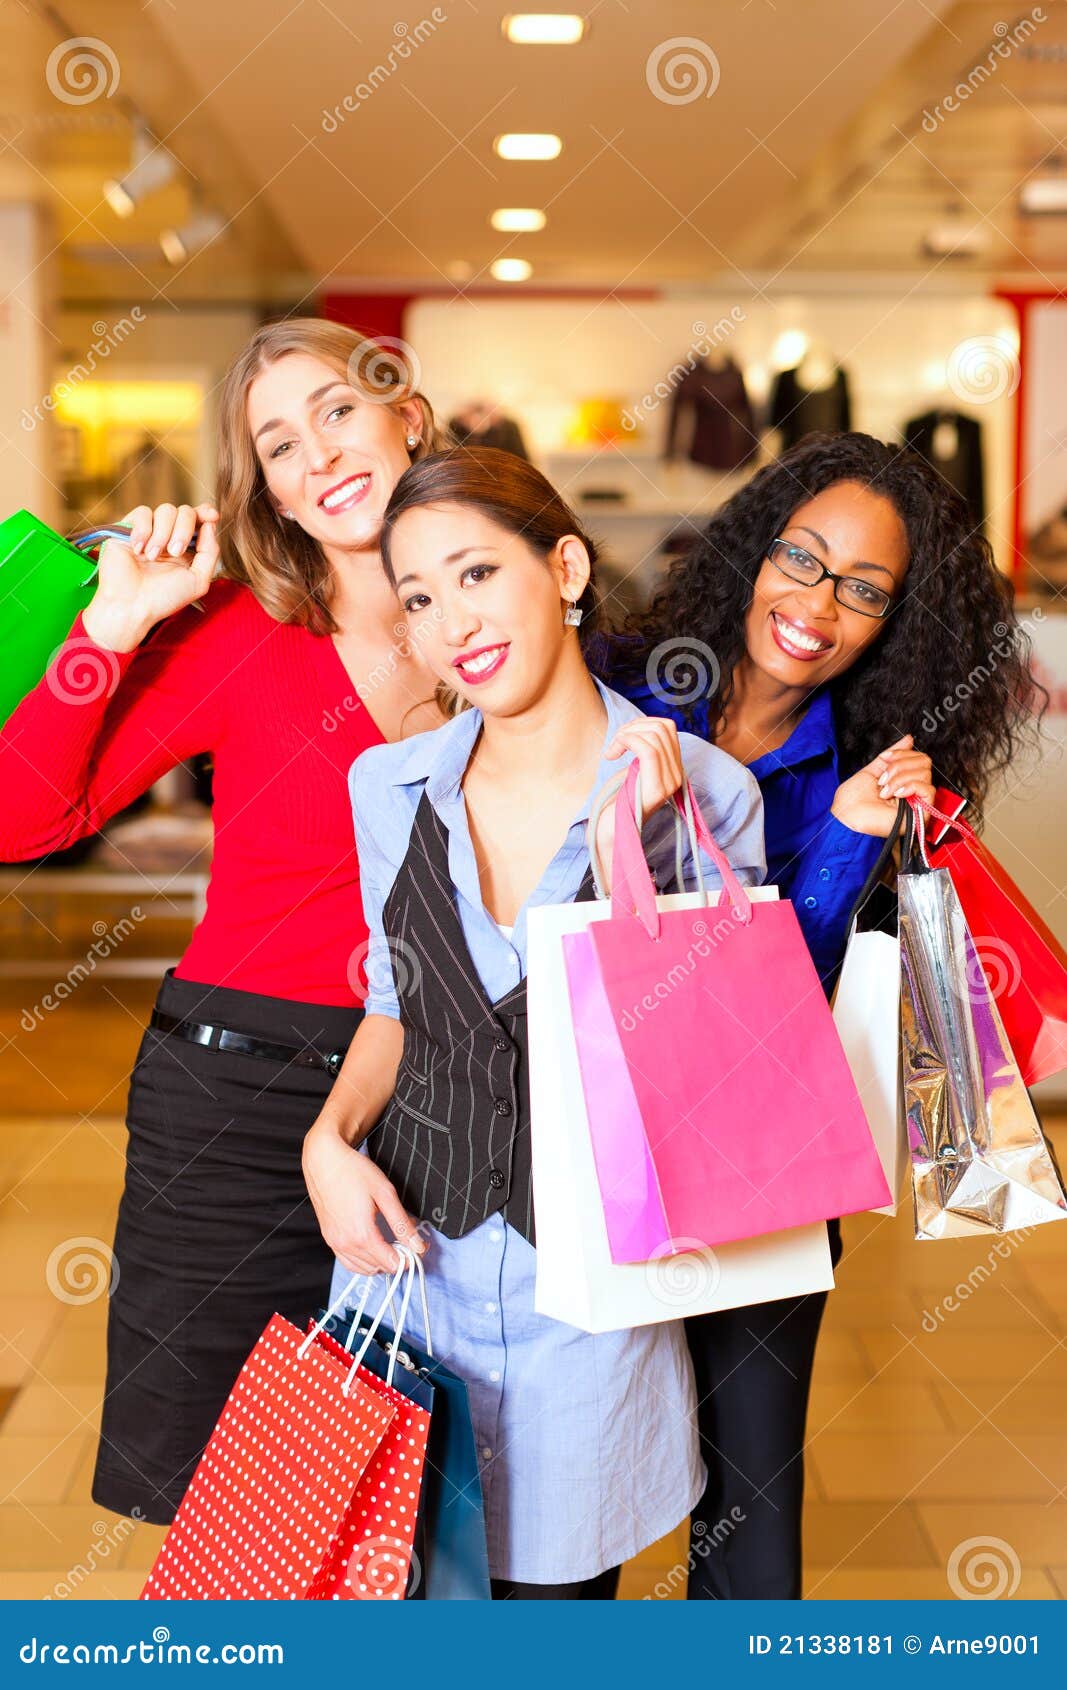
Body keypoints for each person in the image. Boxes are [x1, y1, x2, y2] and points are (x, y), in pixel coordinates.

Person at [0, 317, 451, 1524]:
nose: (321, 455)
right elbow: (20, 820)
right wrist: (116, 624)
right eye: (279, 444)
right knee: (228, 1521)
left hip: (451, 1097)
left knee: (403, 1510)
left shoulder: (494, 619)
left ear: (406, 413)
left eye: (338, 412)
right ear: (270, 492)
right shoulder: (240, 635)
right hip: (238, 1107)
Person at [301, 447, 767, 1598]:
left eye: (474, 573)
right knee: (393, 1615)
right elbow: (396, 1002)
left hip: (587, 1310)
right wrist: (326, 1139)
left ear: (561, 567)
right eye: (417, 596)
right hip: (406, 1277)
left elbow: (715, 1085)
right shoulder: (386, 785)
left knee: (549, 1628)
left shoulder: (704, 794)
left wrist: (636, 863)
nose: (450, 619)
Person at [608, 429, 1045, 1598]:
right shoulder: (620, 682)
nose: (816, 605)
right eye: (801, 559)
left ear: (893, 623)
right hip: (583, 1148)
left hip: (756, 1174)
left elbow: (777, 1013)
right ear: (754, 549)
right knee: (567, 1513)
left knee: (746, 1515)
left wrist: (846, 842)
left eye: (863, 590)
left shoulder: (868, 769)